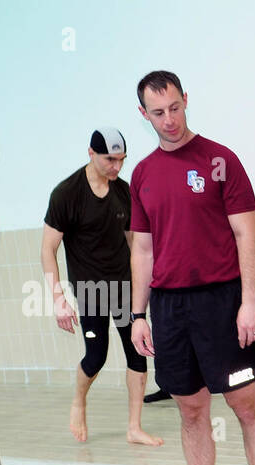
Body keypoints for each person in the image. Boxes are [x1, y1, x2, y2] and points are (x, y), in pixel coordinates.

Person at [128, 71, 255, 465]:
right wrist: (138, 314)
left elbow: (245, 234)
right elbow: (142, 249)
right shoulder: (143, 173)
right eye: (158, 112)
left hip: (222, 300)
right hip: (170, 308)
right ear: (144, 115)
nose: (170, 119)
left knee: (245, 401)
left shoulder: (220, 160)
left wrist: (249, 301)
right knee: (190, 407)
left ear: (185, 100)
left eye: (175, 107)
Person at [40, 128, 162, 447]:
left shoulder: (123, 192)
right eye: (110, 160)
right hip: (90, 290)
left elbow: (135, 244)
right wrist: (58, 300)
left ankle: (134, 427)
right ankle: (79, 401)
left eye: (122, 160)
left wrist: (146, 286)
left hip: (124, 286)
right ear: (91, 153)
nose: (116, 167)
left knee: (138, 350)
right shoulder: (66, 194)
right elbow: (47, 250)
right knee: (96, 355)